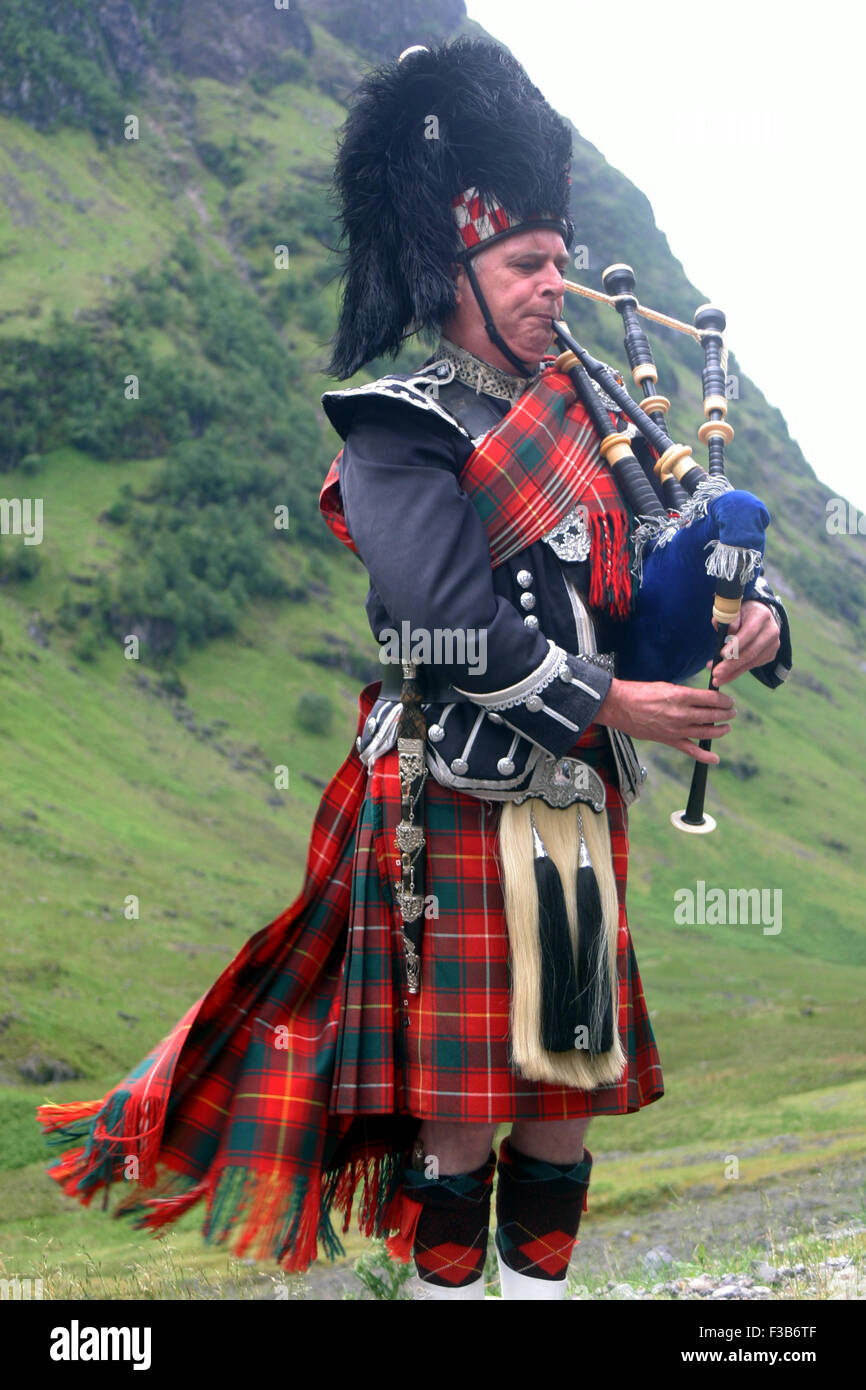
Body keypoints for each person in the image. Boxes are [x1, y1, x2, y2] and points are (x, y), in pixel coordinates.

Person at [35, 37, 791, 1301]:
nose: (556, 284)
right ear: (456, 274)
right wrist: (613, 701)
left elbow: (676, 554)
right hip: (448, 790)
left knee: (563, 1097)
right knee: (459, 1116)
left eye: (559, 259)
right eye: (527, 264)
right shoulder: (398, 429)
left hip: (572, 810)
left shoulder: (600, 424)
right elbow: (440, 623)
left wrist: (750, 615)